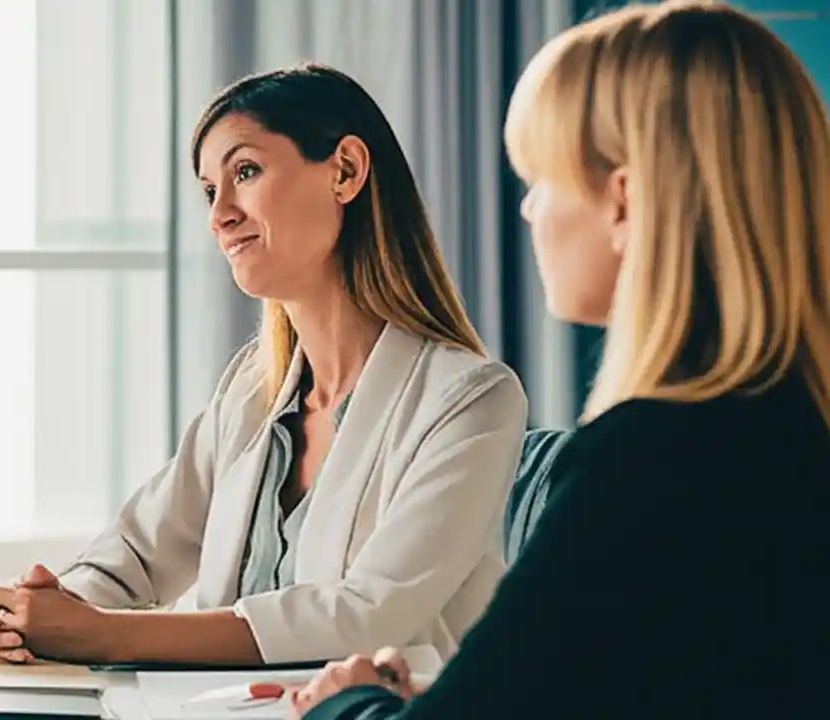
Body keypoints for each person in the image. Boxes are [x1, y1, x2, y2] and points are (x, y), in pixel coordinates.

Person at [295, 3, 830, 717]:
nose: (529, 212)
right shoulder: (788, 432)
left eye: (541, 180)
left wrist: (349, 704)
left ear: (624, 202)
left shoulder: (652, 461)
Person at [0, 63, 527, 666]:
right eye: (207, 191)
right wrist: (26, 615)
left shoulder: (471, 399)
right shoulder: (254, 389)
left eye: (244, 172)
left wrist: (99, 634)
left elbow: (366, 616)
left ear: (346, 171)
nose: (219, 213)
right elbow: (139, 555)